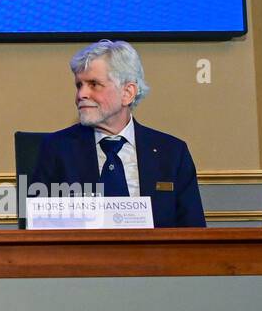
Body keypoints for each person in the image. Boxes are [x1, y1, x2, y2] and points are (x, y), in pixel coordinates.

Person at [29, 40, 206, 228]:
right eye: (79, 85)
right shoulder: (57, 149)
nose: (81, 94)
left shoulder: (172, 153)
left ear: (127, 93)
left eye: (94, 84)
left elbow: (194, 235)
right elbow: (39, 228)